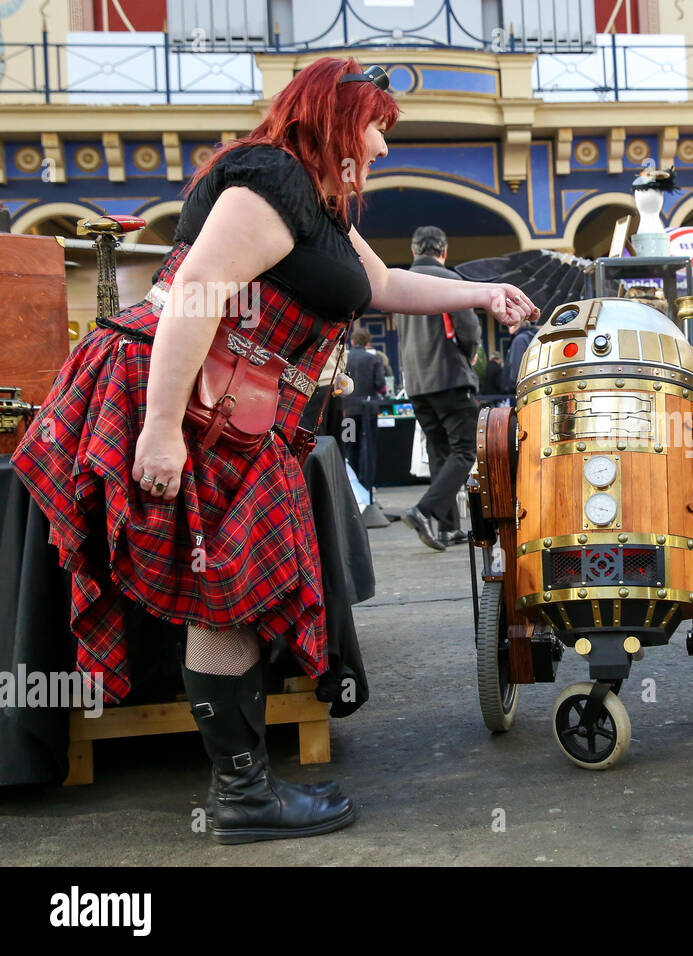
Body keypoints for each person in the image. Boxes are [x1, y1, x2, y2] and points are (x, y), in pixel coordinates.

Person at [12, 58, 538, 844]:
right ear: (334, 118)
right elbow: (196, 293)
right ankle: (243, 795)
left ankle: (242, 788)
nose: (383, 149)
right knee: (224, 595)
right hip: (192, 402)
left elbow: (386, 285)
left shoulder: (318, 205)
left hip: (236, 414)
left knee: (226, 595)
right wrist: (159, 428)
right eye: (375, 129)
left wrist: (478, 292)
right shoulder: (265, 186)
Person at [393, 225, 486, 551]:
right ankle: (424, 511)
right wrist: (471, 352)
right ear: (443, 251)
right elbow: (469, 328)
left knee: (440, 453)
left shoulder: (400, 284)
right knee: (465, 451)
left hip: (417, 383)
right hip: (449, 377)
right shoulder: (448, 278)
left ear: (414, 251)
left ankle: (446, 529)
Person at [341, 327, 386, 492]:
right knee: (368, 448)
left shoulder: (344, 359)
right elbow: (380, 386)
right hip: (368, 411)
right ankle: (366, 487)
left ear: (352, 341)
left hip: (347, 411)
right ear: (368, 343)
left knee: (349, 446)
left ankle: (351, 487)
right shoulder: (373, 359)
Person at [504, 317, 538, 395]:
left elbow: (517, 367)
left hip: (520, 389)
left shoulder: (519, 339)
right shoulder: (531, 335)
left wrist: (512, 385)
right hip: (531, 384)